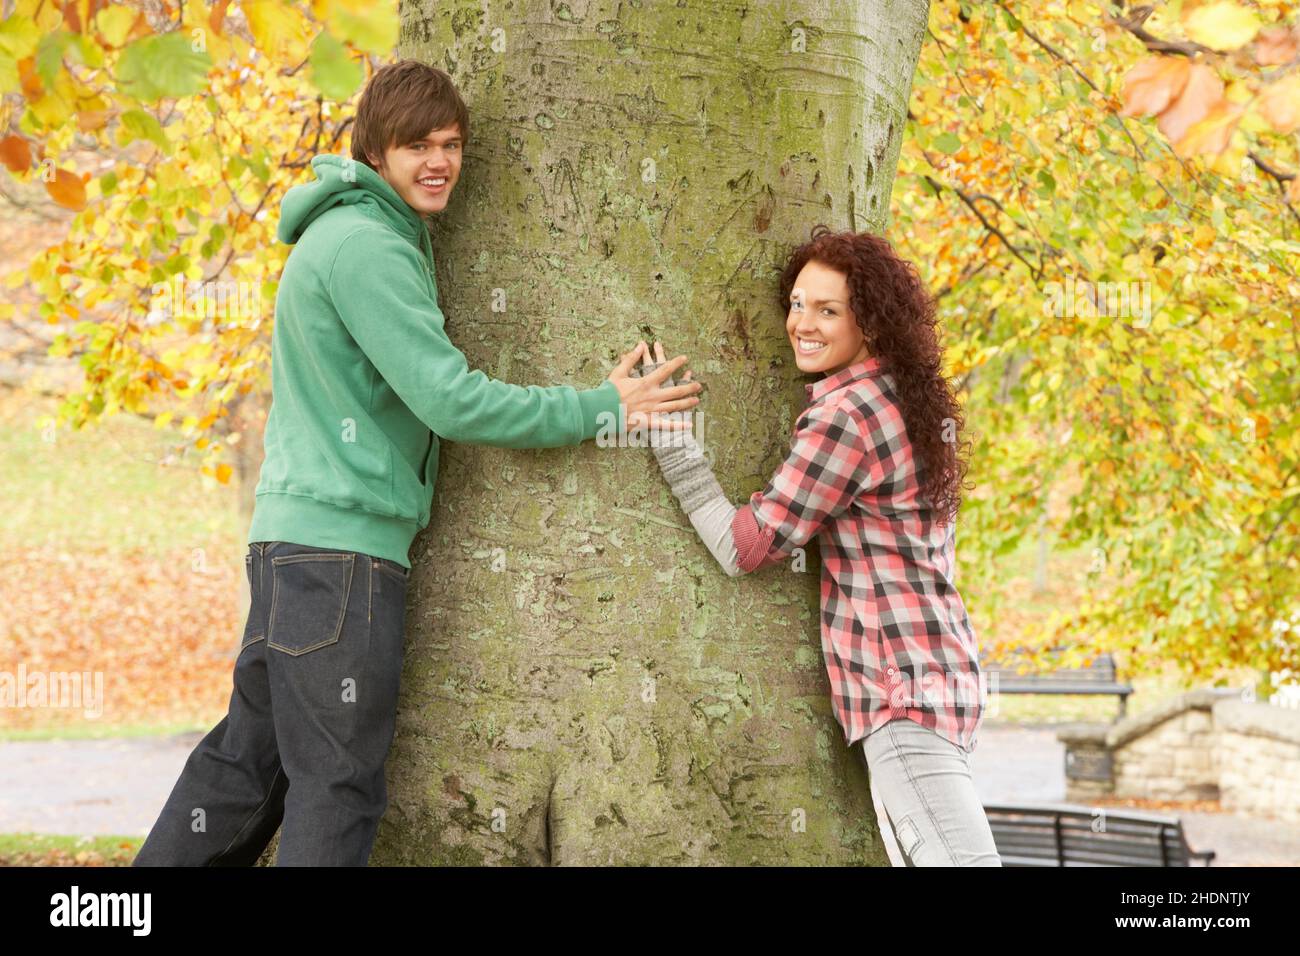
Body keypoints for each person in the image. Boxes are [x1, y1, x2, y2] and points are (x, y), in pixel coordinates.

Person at [134, 60, 700, 867]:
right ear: (374, 150)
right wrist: (602, 406)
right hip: (342, 561)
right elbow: (452, 400)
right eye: (416, 146)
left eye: (452, 144)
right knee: (337, 785)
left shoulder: (343, 233)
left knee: (245, 772)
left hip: (292, 550)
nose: (440, 162)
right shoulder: (369, 248)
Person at [637, 226, 1001, 866]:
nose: (802, 324)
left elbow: (743, 547)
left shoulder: (848, 415)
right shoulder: (904, 399)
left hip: (901, 692)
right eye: (797, 303)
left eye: (828, 310)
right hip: (940, 673)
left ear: (873, 323)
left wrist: (671, 439)